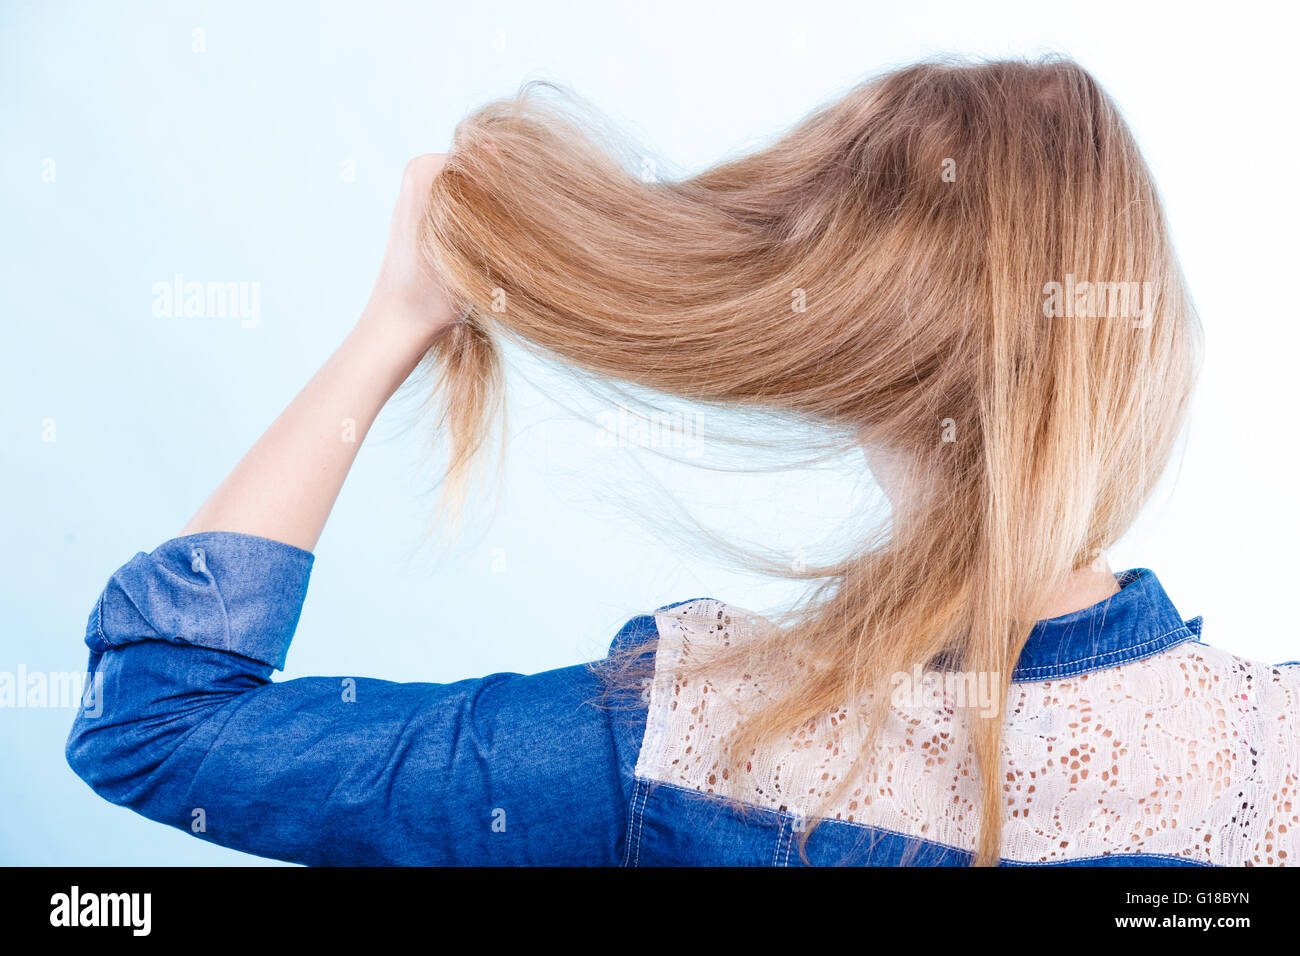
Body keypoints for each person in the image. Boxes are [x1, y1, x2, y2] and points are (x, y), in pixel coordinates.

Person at [66, 57, 1300, 866]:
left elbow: (161, 721)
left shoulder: (686, 734)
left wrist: (400, 316)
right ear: (1143, 350)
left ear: (848, 358)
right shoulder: (1276, 751)